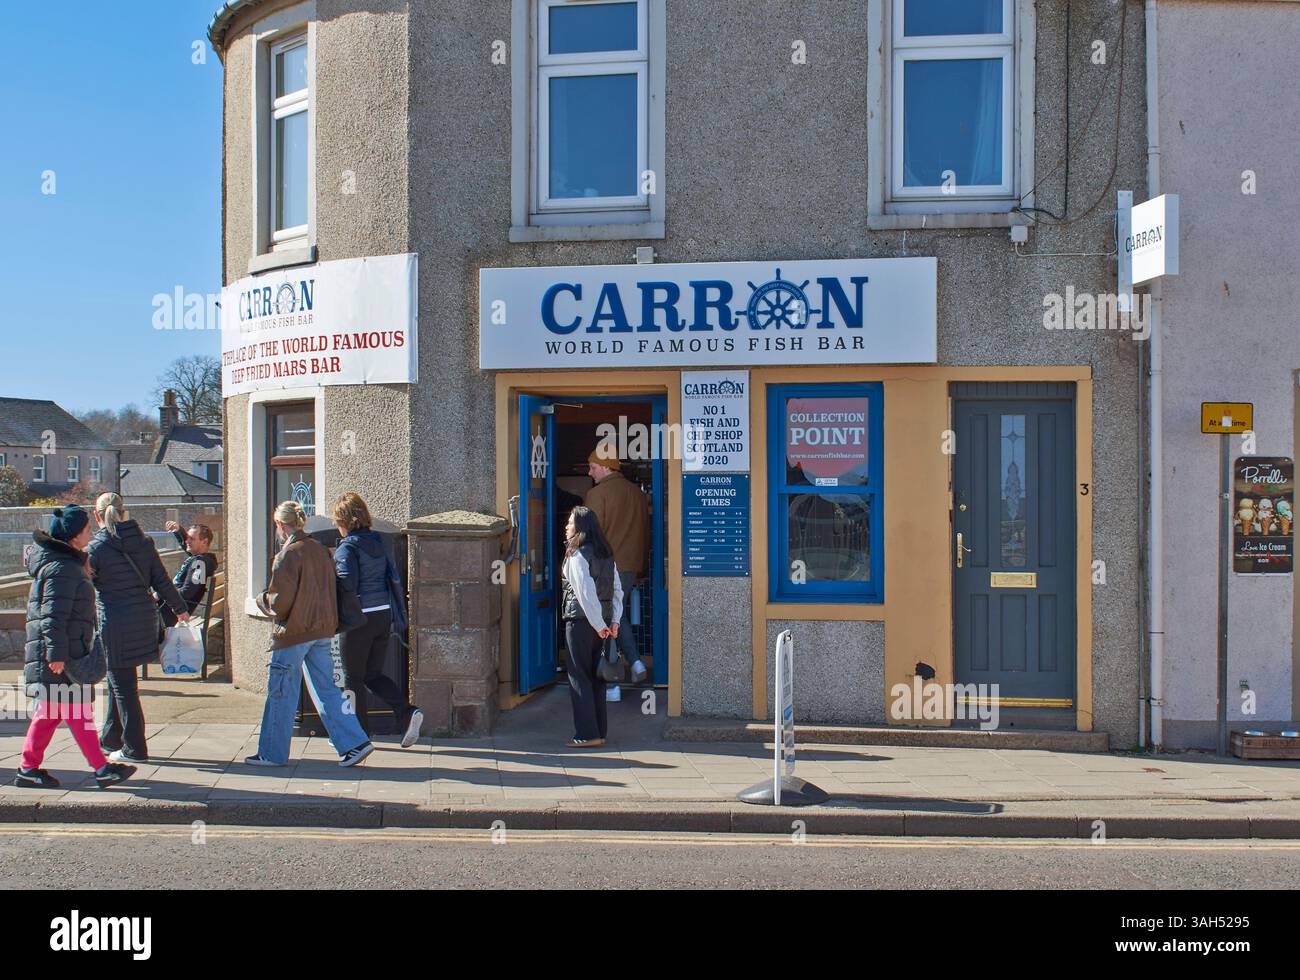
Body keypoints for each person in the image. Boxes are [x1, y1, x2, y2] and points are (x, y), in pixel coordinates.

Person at [245, 500, 374, 768]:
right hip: (323, 630)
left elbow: (279, 602)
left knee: (281, 691)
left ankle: (272, 753)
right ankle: (354, 743)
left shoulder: (288, 554)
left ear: (281, 525)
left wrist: (261, 601)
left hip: (295, 632)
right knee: (328, 689)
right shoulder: (319, 549)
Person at [16, 507, 136, 789]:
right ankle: (100, 768)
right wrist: (56, 654)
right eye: (85, 529)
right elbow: (53, 615)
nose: (89, 533)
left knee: (52, 715)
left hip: (65, 652)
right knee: (74, 712)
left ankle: (29, 768)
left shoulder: (63, 564)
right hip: (63, 655)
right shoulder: (63, 568)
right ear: (74, 535)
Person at [86, 492, 189, 764]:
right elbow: (162, 580)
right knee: (118, 678)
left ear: (97, 516)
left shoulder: (96, 548)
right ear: (123, 513)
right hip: (143, 619)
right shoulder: (144, 542)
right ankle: (110, 737)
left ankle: (135, 748)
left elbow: (84, 583)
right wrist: (180, 608)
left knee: (123, 686)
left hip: (115, 623)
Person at [332, 492, 422, 746]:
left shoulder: (347, 547)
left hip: (358, 619)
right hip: (383, 614)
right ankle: (407, 712)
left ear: (345, 521)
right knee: (372, 673)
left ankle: (358, 736)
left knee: (353, 678)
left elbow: (346, 582)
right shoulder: (378, 542)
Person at [583, 447, 650, 697]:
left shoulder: (596, 494)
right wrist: (641, 566)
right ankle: (635, 662)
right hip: (631, 566)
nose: (589, 472)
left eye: (592, 466)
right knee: (616, 617)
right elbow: (645, 533)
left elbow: (590, 537)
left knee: (608, 620)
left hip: (605, 568)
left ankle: (613, 683)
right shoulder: (637, 495)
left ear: (607, 466)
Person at [560, 506, 623, 748]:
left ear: (581, 528)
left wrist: (598, 624)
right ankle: (600, 732)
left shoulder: (576, 555)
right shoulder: (606, 555)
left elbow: (584, 593)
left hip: (581, 623)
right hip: (603, 623)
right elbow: (617, 590)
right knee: (598, 677)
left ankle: (586, 734)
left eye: (570, 523)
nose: (566, 527)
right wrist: (613, 622)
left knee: (579, 676)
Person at [160, 521, 218, 626]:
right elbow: (189, 549)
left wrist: (161, 593)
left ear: (204, 542)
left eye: (192, 538)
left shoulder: (200, 564)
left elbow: (188, 592)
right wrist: (179, 531)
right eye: (187, 537)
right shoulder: (202, 559)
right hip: (173, 608)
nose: (187, 540)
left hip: (170, 614)